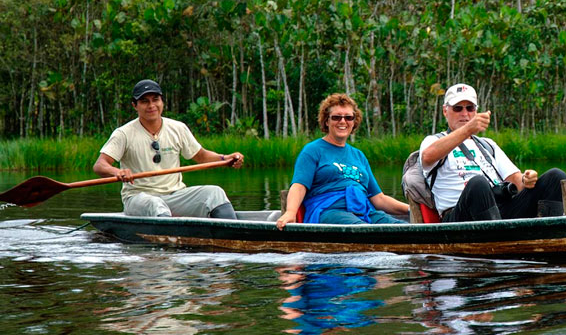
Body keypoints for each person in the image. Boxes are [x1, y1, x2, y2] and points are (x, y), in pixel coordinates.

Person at [93, 79, 244, 218]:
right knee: (155, 204)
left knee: (215, 193)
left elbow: (201, 156)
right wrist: (118, 172)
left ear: (162, 101)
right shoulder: (123, 133)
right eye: (145, 101)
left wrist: (226, 158)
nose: (151, 106)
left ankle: (235, 237)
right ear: (135, 105)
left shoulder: (178, 128)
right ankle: (170, 241)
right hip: (139, 198)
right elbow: (100, 165)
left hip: (175, 195)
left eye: (155, 100)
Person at [419, 83, 566, 222]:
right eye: (458, 108)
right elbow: (427, 157)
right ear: (446, 111)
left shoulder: (487, 144)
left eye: (470, 108)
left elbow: (517, 181)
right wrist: (468, 130)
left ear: (475, 111)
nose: (464, 114)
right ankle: (497, 240)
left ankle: (549, 233)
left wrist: (527, 179)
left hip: (498, 210)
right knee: (478, 183)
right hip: (460, 215)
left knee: (555, 177)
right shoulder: (433, 140)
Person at [276, 93, 409, 228]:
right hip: (329, 211)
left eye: (348, 117)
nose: (343, 121)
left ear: (354, 122)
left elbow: (379, 199)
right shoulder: (313, 151)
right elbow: (299, 186)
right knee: (361, 229)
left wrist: (409, 209)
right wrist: (290, 212)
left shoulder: (359, 156)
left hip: (364, 212)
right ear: (326, 121)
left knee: (402, 228)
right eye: (336, 117)